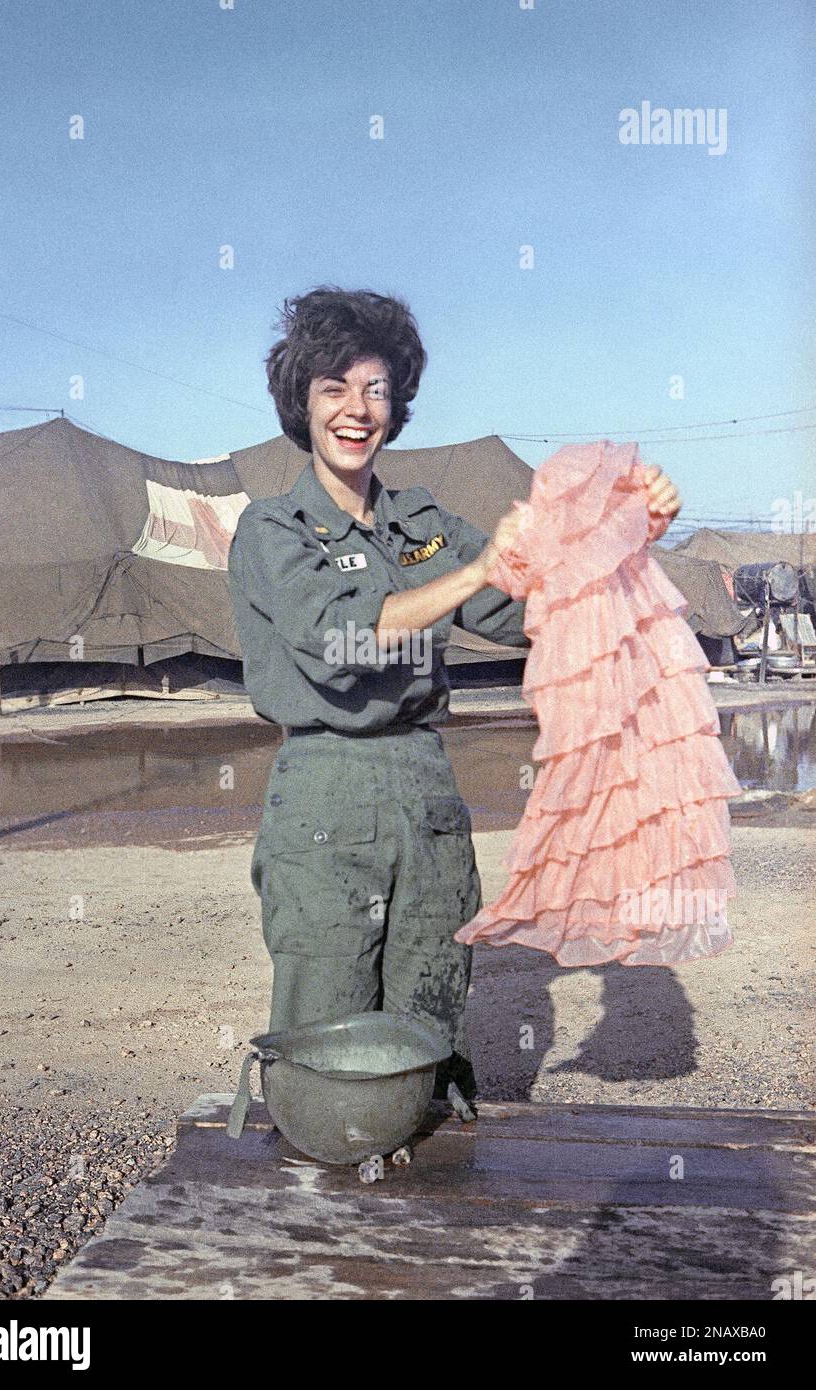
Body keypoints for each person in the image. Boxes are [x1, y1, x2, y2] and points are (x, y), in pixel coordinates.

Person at [228, 286, 680, 1103]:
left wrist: (622, 534)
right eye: (333, 388)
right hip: (327, 788)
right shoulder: (273, 529)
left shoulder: (421, 520)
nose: (356, 409)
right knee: (326, 1021)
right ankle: (314, 1200)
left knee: (432, 1003)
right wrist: (472, 570)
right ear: (301, 402)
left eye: (375, 388)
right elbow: (341, 640)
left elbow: (524, 612)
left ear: (396, 402)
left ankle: (430, 1184)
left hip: (427, 786)